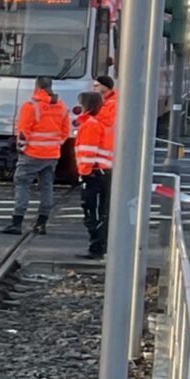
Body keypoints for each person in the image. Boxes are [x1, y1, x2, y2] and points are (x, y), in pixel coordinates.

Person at [0, 76, 70, 235]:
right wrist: (56, 143)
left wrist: (20, 149)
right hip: (52, 154)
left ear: (37, 87)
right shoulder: (60, 106)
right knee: (47, 187)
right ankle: (41, 223)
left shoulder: (30, 106)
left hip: (32, 154)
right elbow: (65, 131)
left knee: (22, 184)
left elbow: (24, 132)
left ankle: (17, 222)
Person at [74, 91, 114, 260]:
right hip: (103, 171)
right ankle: (100, 245)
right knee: (100, 210)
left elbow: (88, 151)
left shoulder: (91, 124)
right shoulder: (104, 123)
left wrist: (84, 172)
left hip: (94, 173)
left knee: (92, 210)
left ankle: (96, 247)